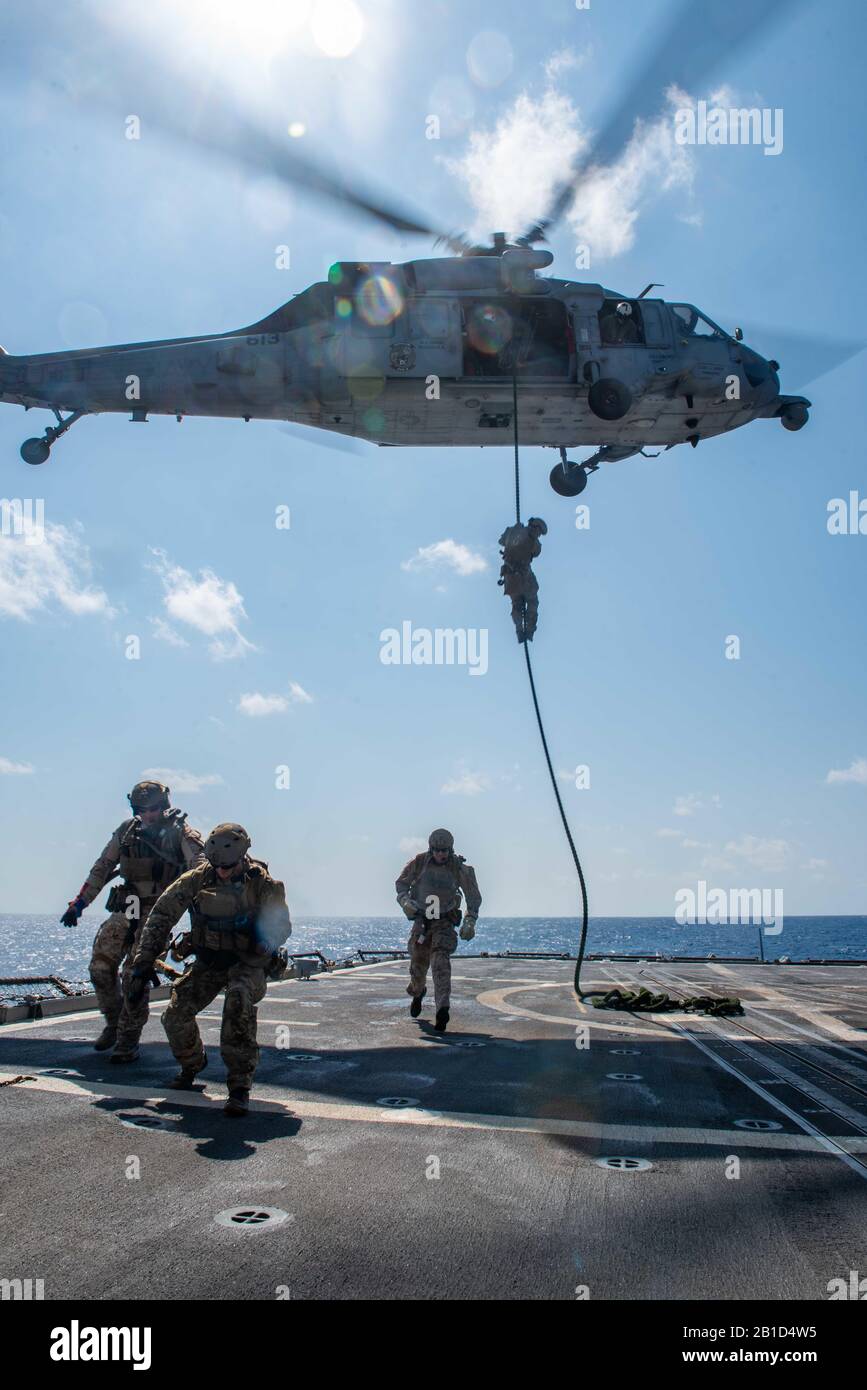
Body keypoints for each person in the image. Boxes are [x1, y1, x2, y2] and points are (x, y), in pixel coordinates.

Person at [127, 823, 291, 1117]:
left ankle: (239, 1086)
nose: (223, 872)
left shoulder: (263, 884)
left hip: (246, 963)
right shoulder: (197, 879)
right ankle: (192, 1064)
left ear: (242, 858)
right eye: (218, 866)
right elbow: (162, 916)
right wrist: (142, 963)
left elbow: (282, 926)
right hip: (210, 962)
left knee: (238, 1000)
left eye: (228, 866)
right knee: (175, 1015)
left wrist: (262, 939)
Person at [59, 780, 205, 1062]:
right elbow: (102, 867)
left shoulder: (182, 833)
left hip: (161, 909)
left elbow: (199, 867)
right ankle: (114, 1023)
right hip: (129, 905)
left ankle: (127, 1040)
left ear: (164, 806)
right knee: (100, 967)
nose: (147, 815)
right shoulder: (127, 832)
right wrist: (79, 903)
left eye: (153, 809)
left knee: (134, 975)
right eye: (141, 809)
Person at [395, 828, 481, 1033]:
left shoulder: (459, 868)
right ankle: (418, 992)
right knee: (417, 966)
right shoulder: (418, 863)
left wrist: (470, 920)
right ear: (431, 849)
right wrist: (404, 901)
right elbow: (401, 885)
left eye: (445, 850)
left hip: (444, 923)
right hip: (422, 922)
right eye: (437, 850)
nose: (441, 854)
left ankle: (442, 1009)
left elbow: (473, 897)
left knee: (440, 964)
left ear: (450, 849)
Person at [498, 516, 547, 642]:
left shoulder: (531, 541)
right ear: (533, 527)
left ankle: (524, 631)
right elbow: (535, 551)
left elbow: (502, 540)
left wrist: (515, 531)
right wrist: (516, 532)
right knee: (528, 602)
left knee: (522, 604)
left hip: (513, 578)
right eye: (538, 531)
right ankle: (524, 630)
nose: (538, 534)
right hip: (521, 578)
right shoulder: (532, 541)